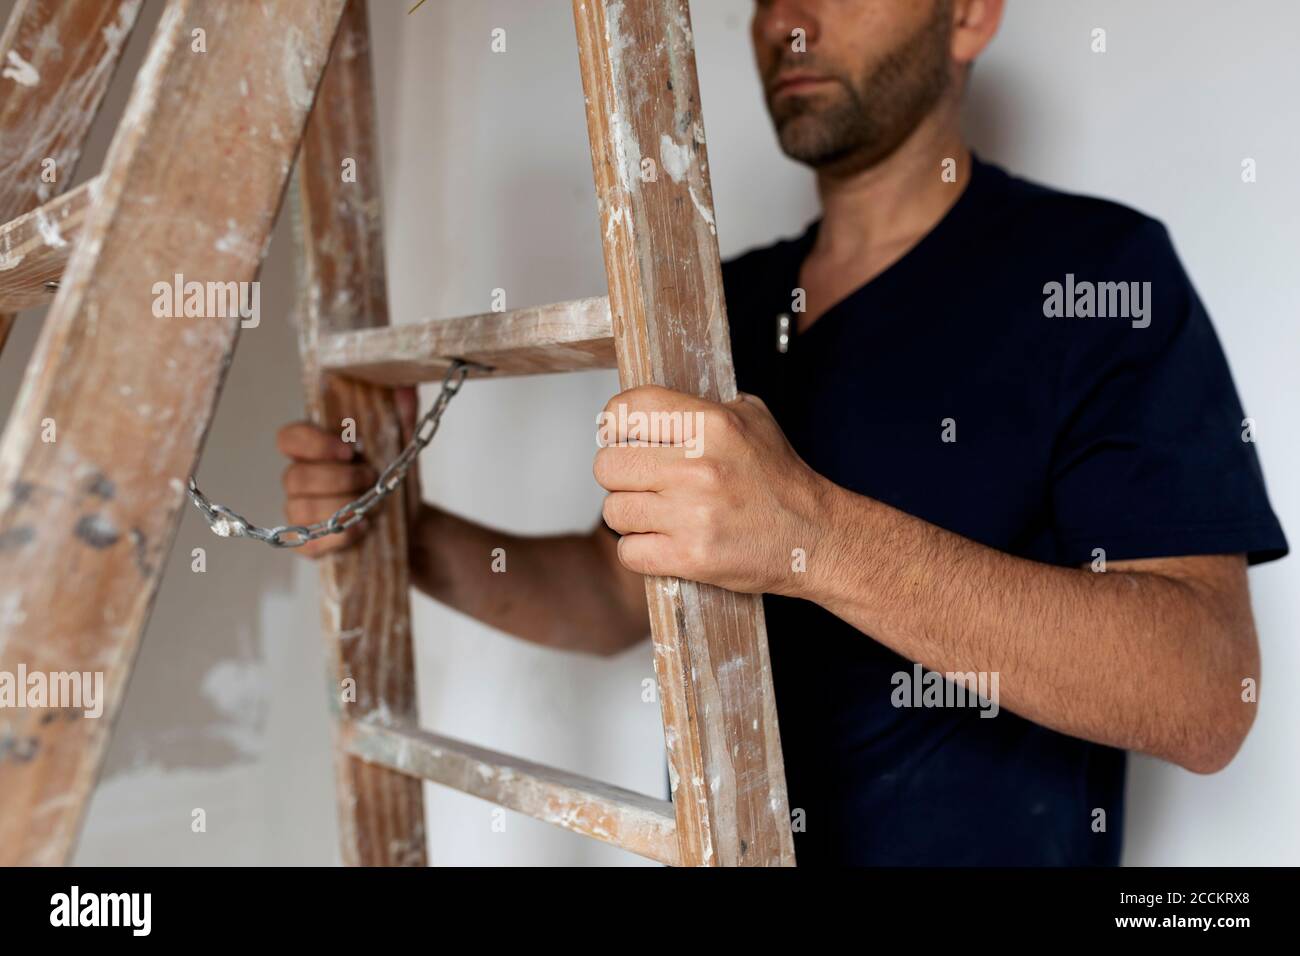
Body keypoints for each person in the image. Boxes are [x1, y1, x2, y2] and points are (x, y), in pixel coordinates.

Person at [276, 0, 1287, 865]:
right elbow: (614, 592)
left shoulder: (1100, 274)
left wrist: (807, 533)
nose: (786, 22)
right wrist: (402, 534)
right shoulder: (713, 306)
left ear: (970, 14)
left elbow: (1204, 690)